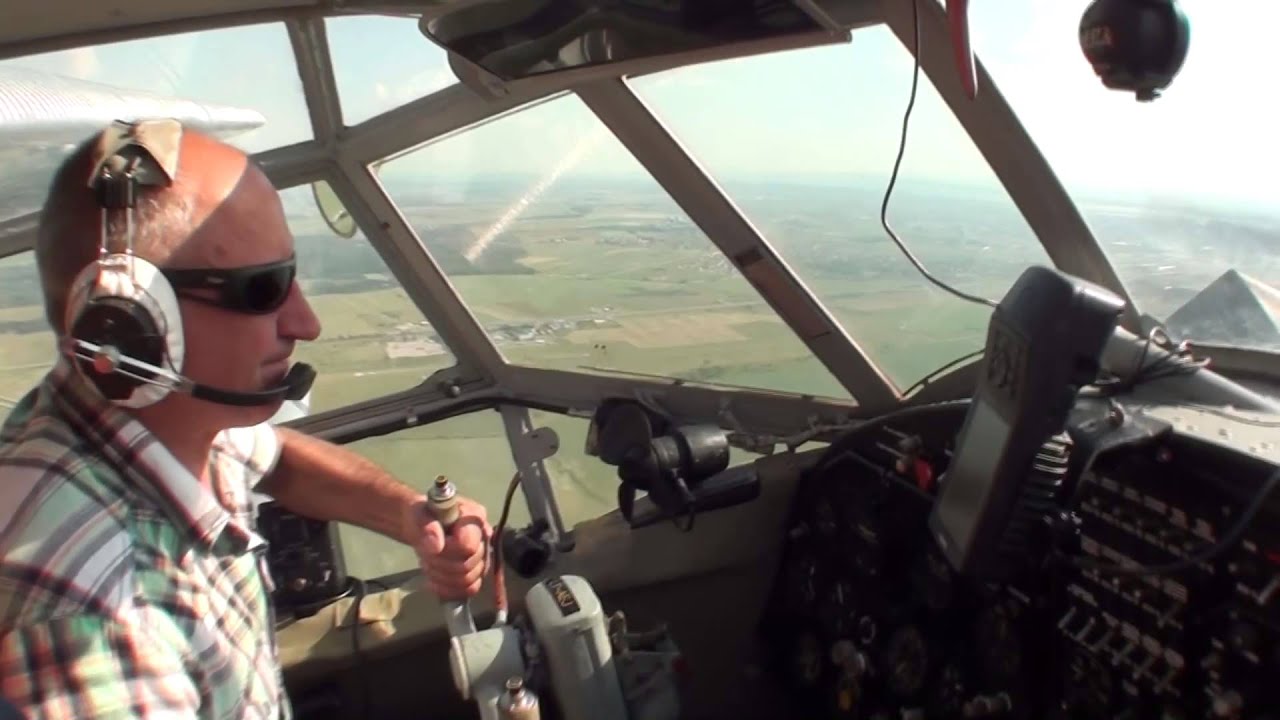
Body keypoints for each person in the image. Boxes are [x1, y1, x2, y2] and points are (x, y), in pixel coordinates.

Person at [0, 120, 492, 718]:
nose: (306, 324)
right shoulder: (92, 617)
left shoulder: (171, 419)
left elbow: (276, 458)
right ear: (126, 323)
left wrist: (408, 517)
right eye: (263, 289)